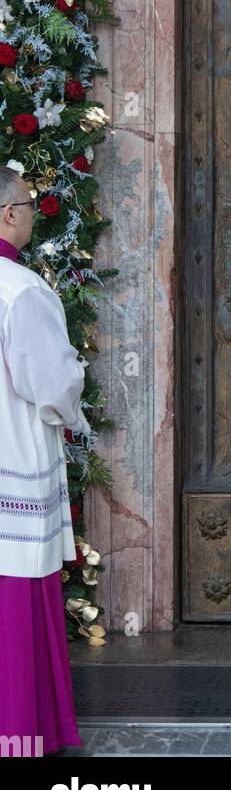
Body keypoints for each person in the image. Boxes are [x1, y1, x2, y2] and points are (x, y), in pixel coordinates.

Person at [0, 164, 90, 754]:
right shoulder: (21, 290)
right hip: (15, 460)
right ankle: (20, 733)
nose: (34, 211)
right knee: (16, 597)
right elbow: (53, 386)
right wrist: (75, 412)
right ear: (8, 213)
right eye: (30, 203)